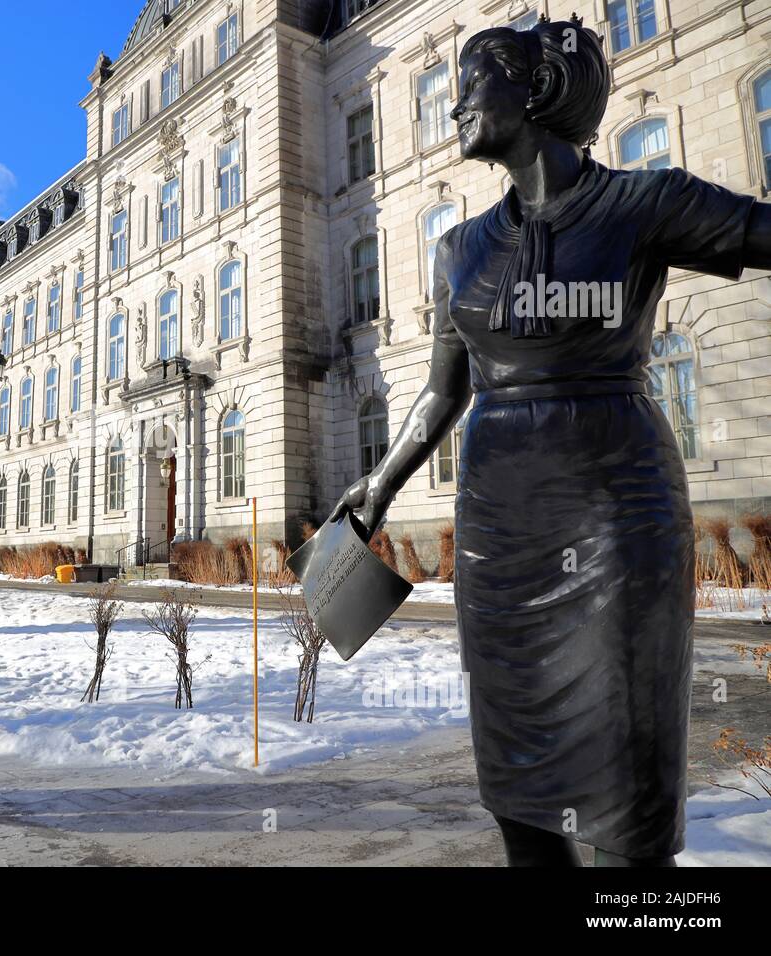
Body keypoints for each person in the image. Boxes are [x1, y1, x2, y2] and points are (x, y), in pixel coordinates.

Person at [330, 19, 771, 866]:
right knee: (519, 791)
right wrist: (380, 485)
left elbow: (760, 229)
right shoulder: (458, 248)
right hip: (498, 536)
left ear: (530, 92)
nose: (452, 106)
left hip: (616, 518)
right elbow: (442, 390)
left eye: (468, 83)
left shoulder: (644, 205)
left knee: (623, 802)